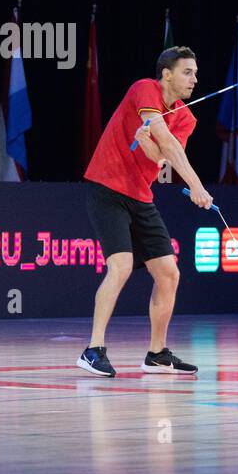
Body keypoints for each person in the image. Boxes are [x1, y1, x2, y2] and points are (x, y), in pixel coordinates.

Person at [77, 46, 213, 378]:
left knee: (169, 273)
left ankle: (156, 353)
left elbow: (159, 157)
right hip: (106, 187)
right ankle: (92, 350)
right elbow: (166, 142)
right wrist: (196, 185)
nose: (194, 79)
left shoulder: (186, 116)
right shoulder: (144, 89)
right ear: (166, 74)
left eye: (195, 72)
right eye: (187, 72)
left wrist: (148, 142)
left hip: (140, 195)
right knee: (120, 266)